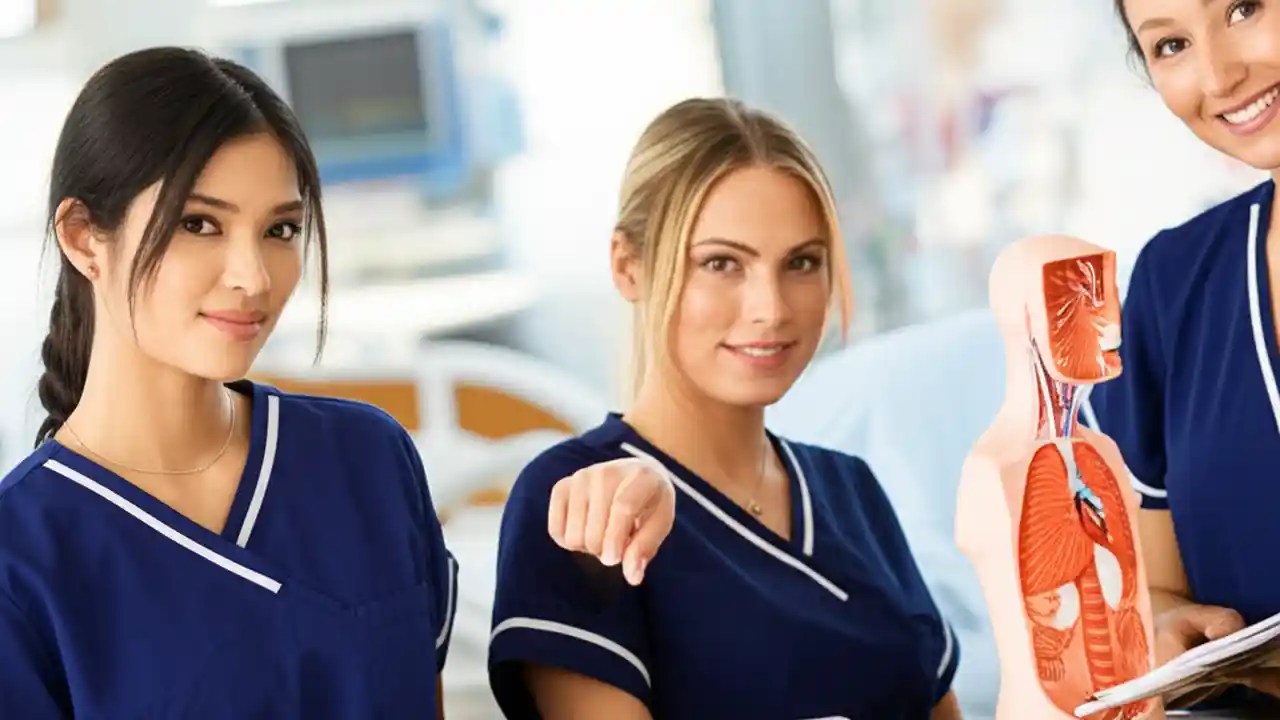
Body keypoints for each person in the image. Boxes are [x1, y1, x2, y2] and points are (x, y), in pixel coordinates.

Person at [0, 47, 672, 719]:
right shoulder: (22, 557)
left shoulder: (365, 458)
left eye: (280, 229)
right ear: (85, 237)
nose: (254, 276)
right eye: (199, 223)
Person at [488, 98, 964, 719]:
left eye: (801, 262)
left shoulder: (851, 490)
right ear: (628, 266)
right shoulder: (580, 502)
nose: (771, 307)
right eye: (721, 264)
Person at [1087, 0, 1280, 708]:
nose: (1221, 75)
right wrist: (1166, 625)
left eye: (1245, 9)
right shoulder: (1173, 284)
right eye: (1170, 45)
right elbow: (1155, 586)